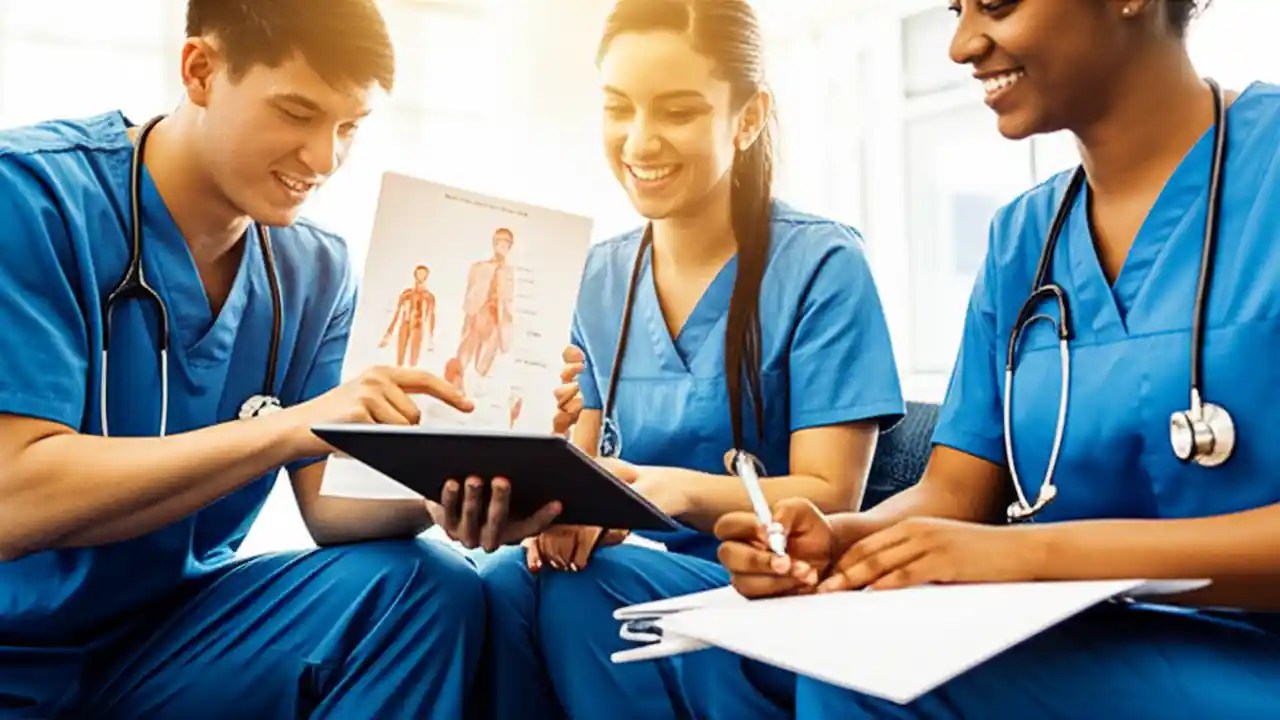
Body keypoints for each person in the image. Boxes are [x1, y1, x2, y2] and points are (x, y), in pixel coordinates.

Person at [717, 0, 1280, 717]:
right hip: (1088, 646)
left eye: (997, 5)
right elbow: (956, 495)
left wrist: (1023, 558)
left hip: (1257, 661)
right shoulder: (1021, 238)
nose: (960, 44)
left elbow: (996, 544)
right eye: (956, 9)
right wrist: (843, 542)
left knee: (873, 672)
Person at [0, 2, 559, 717]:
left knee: (425, 588)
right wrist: (290, 427)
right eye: (296, 113)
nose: (324, 159)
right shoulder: (32, 199)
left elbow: (330, 505)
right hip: (15, 651)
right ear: (199, 70)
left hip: (173, 638)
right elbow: (13, 499)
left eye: (349, 126)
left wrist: (445, 493)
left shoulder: (313, 270)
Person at [473, 1, 905, 718]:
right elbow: (582, 478)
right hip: (634, 582)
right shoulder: (598, 278)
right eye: (619, 108)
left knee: (582, 592)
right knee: (499, 582)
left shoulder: (822, 263)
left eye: (676, 111)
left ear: (748, 117)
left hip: (771, 600)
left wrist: (667, 492)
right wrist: (554, 502)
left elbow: (832, 495)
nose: (639, 142)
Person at [447, 227, 518, 394]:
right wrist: (471, 310)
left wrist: (506, 319)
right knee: (467, 347)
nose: (504, 246)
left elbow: (509, 297)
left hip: (496, 316)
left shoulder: (510, 272)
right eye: (501, 242)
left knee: (487, 354)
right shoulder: (479, 266)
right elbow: (470, 288)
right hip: (477, 312)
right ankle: (456, 383)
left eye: (507, 244)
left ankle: (475, 389)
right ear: (494, 244)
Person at [380, 264, 437, 367]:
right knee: (400, 359)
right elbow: (397, 314)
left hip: (418, 326)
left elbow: (431, 317)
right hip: (405, 324)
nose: (420, 277)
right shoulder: (407, 294)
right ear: (415, 275)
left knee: (413, 360)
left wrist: (431, 338)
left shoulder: (429, 297)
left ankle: (409, 378)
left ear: (426, 276)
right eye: (419, 274)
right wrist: (388, 334)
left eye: (423, 274)